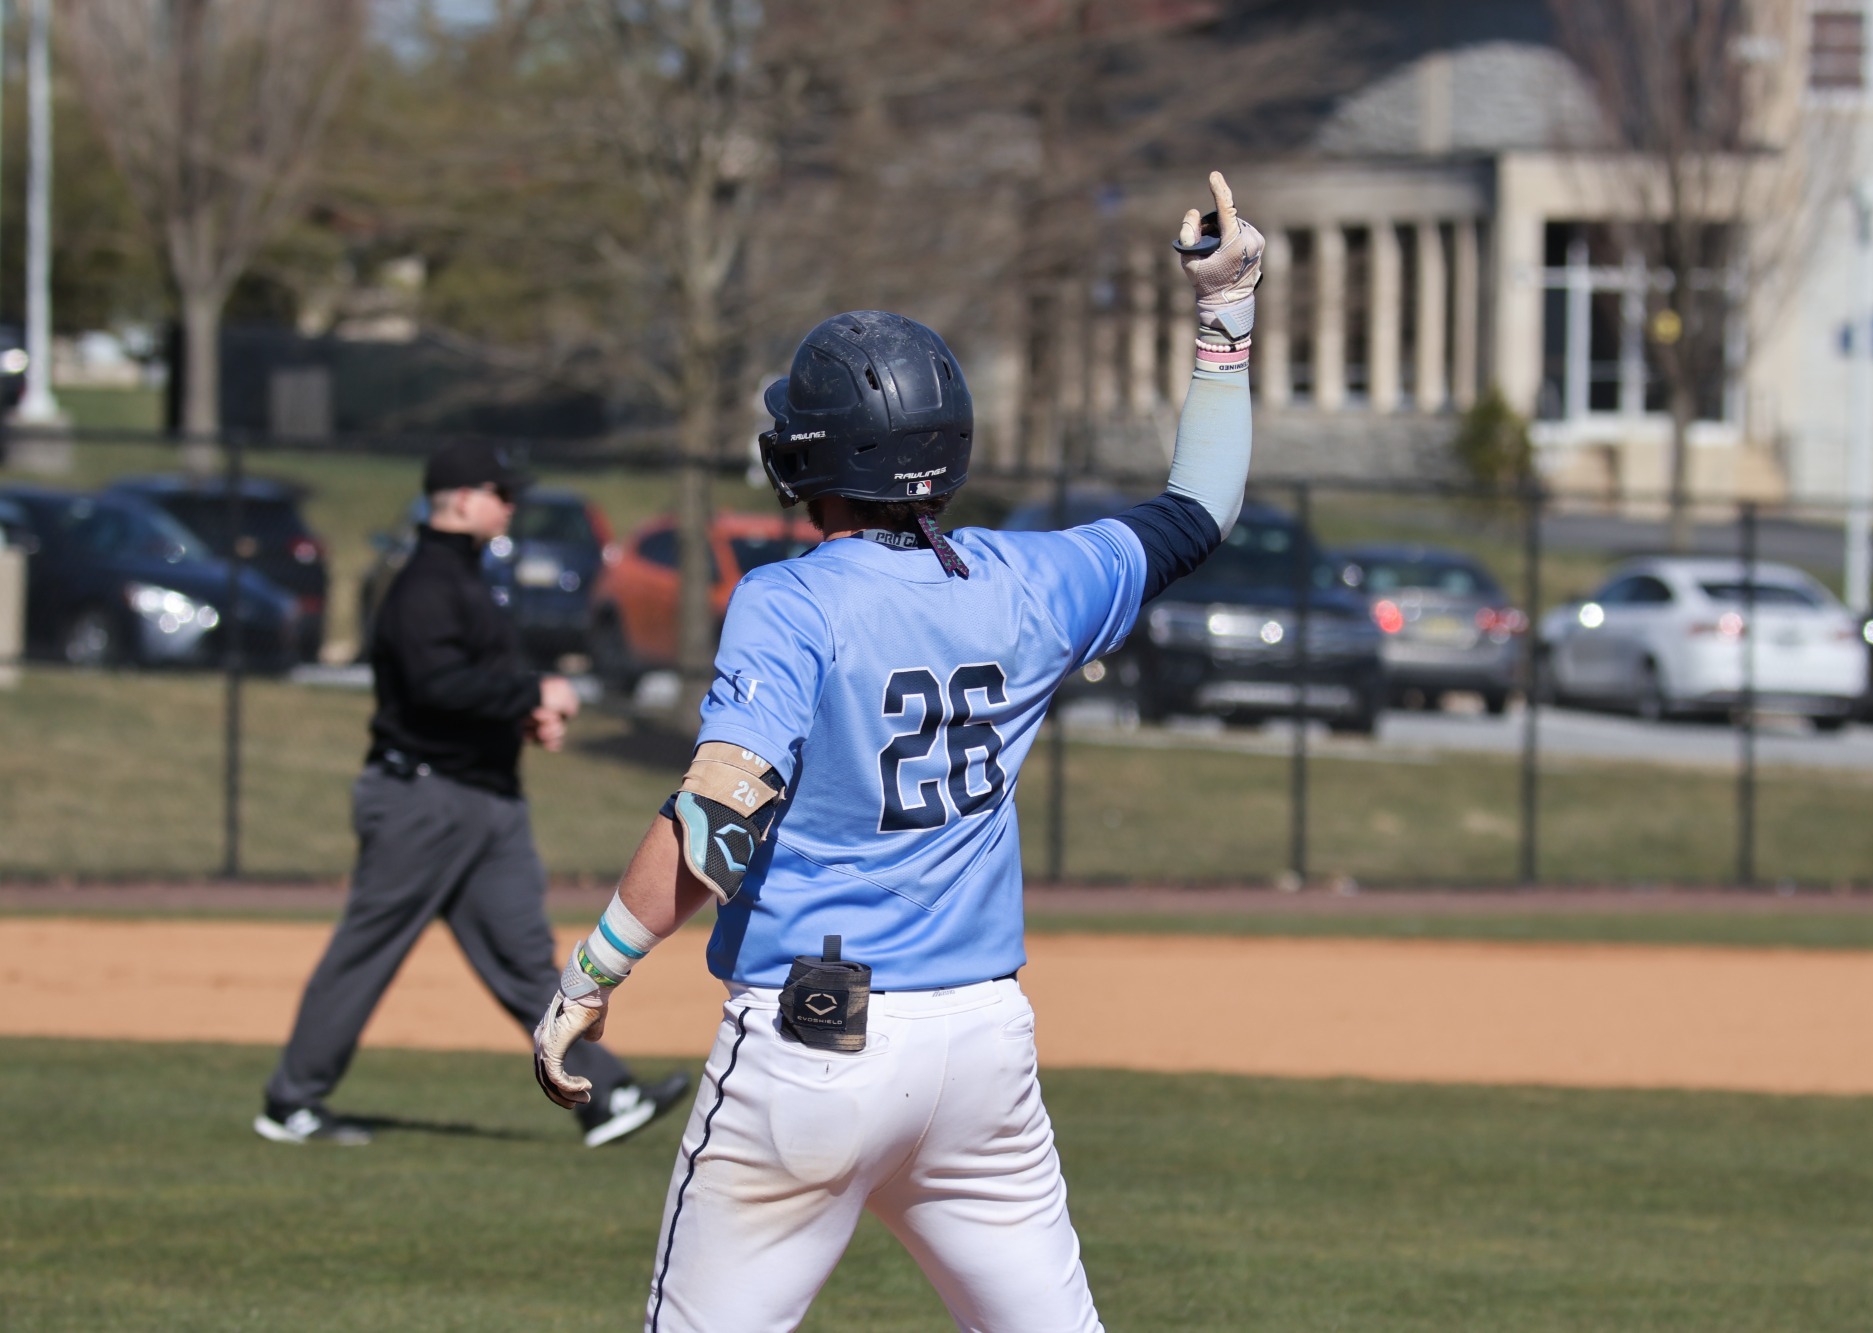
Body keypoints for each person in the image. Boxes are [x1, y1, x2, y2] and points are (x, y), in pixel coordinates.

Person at [531, 171, 1262, 1329]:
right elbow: (1200, 508)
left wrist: (593, 971)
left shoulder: (789, 601)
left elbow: (715, 825)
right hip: (979, 1047)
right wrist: (1224, 308)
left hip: (813, 1043)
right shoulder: (1031, 578)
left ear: (805, 461)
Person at [256, 438, 689, 1149]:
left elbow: (466, 686)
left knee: (524, 958)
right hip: (423, 801)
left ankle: (606, 1094)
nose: (511, 504)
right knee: (367, 950)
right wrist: (530, 691)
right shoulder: (425, 581)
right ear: (460, 498)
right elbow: (433, 687)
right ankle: (290, 1101)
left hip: (483, 800)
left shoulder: (464, 579)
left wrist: (522, 713)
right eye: (500, 491)